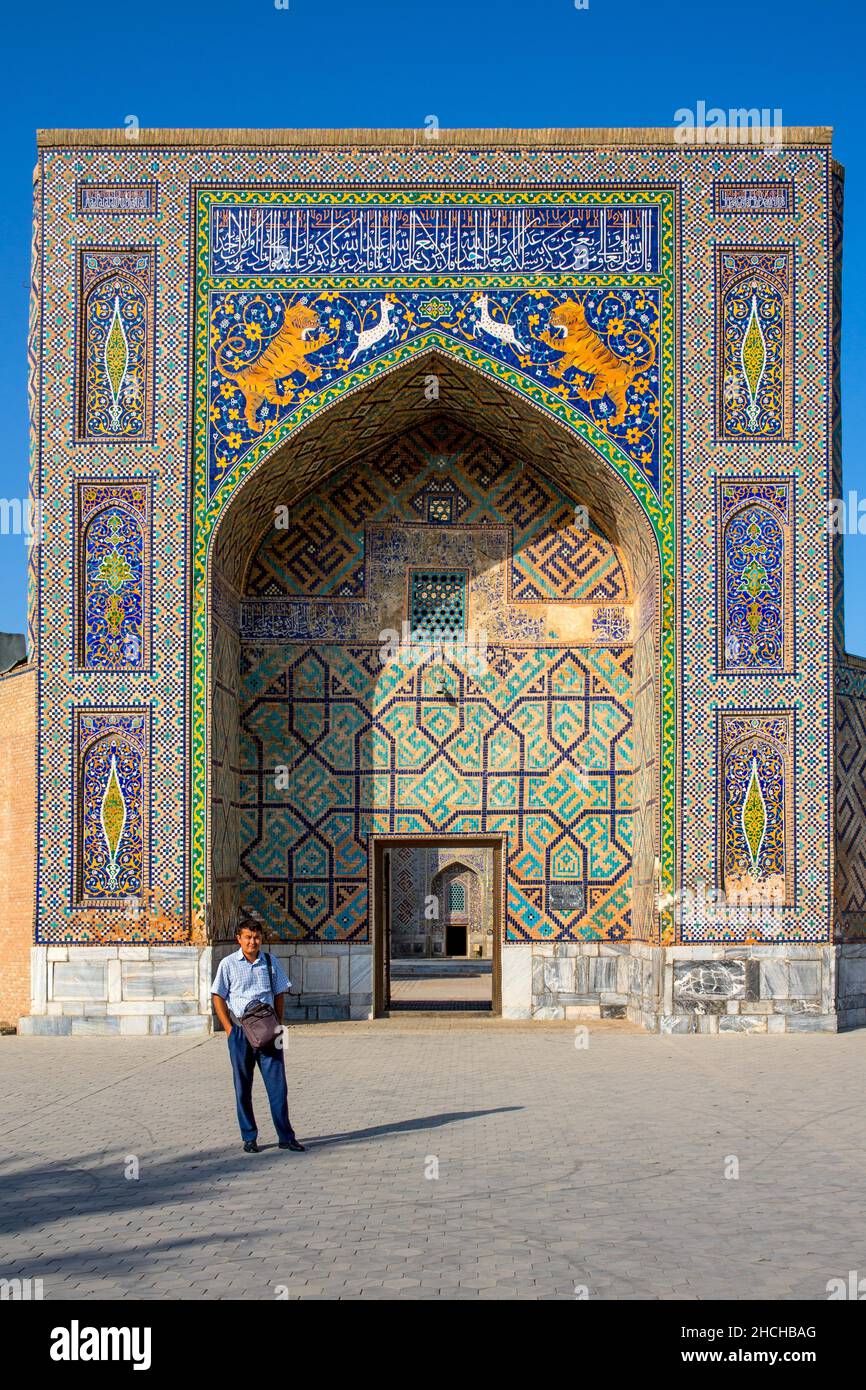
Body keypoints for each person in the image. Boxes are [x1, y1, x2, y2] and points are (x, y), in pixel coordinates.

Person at [211, 920, 305, 1153]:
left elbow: (281, 992)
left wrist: (279, 1025)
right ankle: (249, 1137)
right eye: (248, 937)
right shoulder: (228, 964)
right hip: (240, 1032)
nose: (252, 942)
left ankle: (286, 1136)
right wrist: (229, 1030)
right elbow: (218, 996)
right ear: (239, 939)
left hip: (270, 1032)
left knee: (278, 1087)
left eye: (256, 937)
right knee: (243, 1087)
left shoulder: (271, 963)